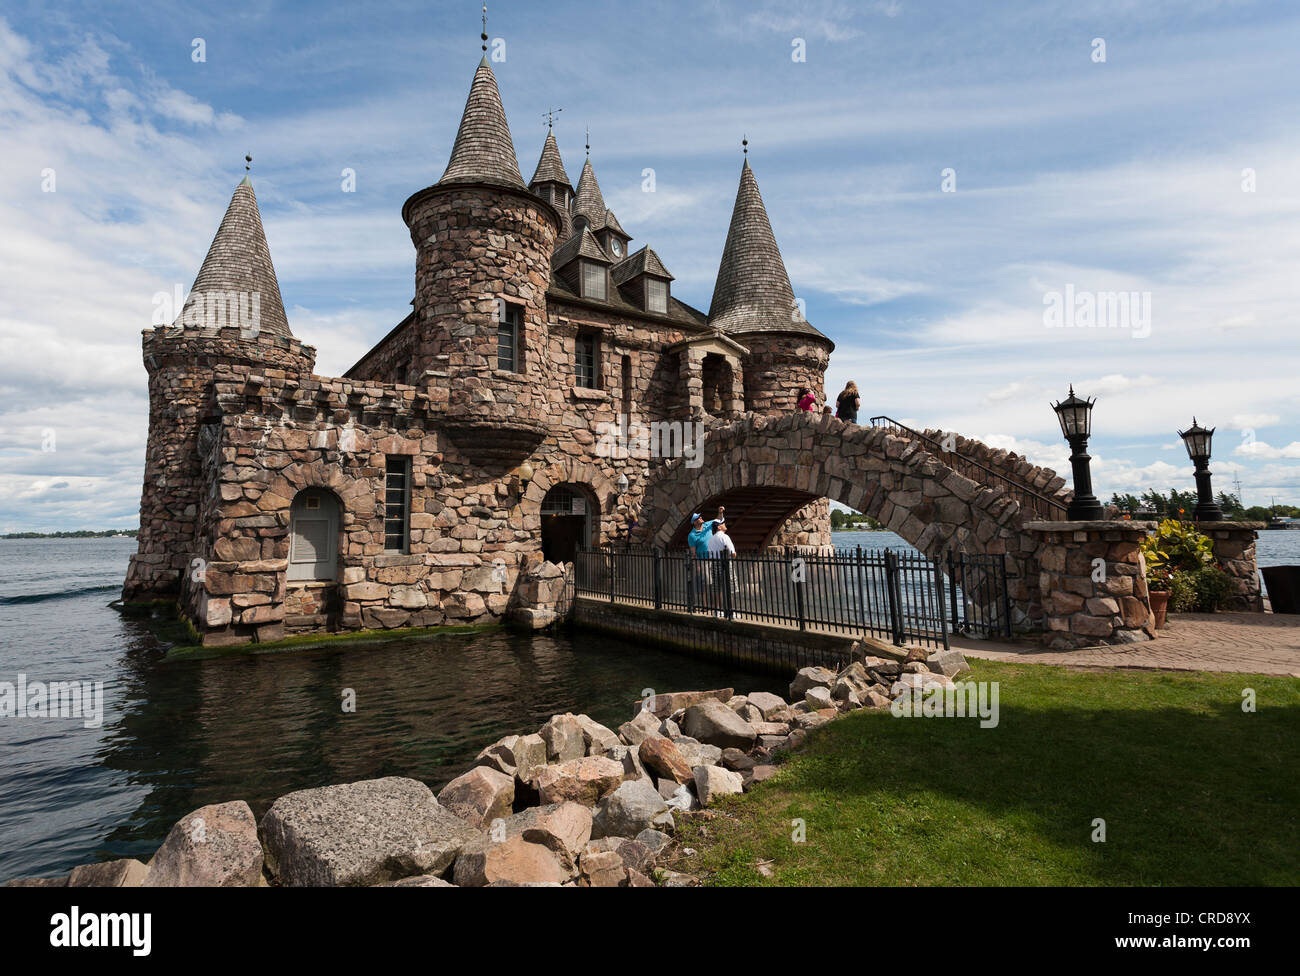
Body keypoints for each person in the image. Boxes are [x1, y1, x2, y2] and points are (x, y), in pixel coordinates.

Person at [686, 507, 724, 609]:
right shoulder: (692, 535)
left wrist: (720, 512)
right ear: (694, 522)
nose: (701, 517)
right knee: (707, 583)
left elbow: (719, 520)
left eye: (700, 516)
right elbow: (693, 553)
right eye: (699, 517)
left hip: (714, 558)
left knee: (716, 582)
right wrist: (698, 564)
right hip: (703, 561)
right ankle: (705, 605)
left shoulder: (707, 525)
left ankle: (716, 606)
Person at [706, 518, 737, 616]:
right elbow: (733, 553)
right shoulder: (725, 537)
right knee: (730, 587)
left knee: (717, 587)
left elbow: (709, 554)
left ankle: (717, 611)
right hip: (725, 564)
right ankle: (730, 611)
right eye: (723, 523)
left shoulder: (711, 539)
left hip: (714, 564)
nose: (725, 524)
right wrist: (733, 556)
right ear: (719, 527)